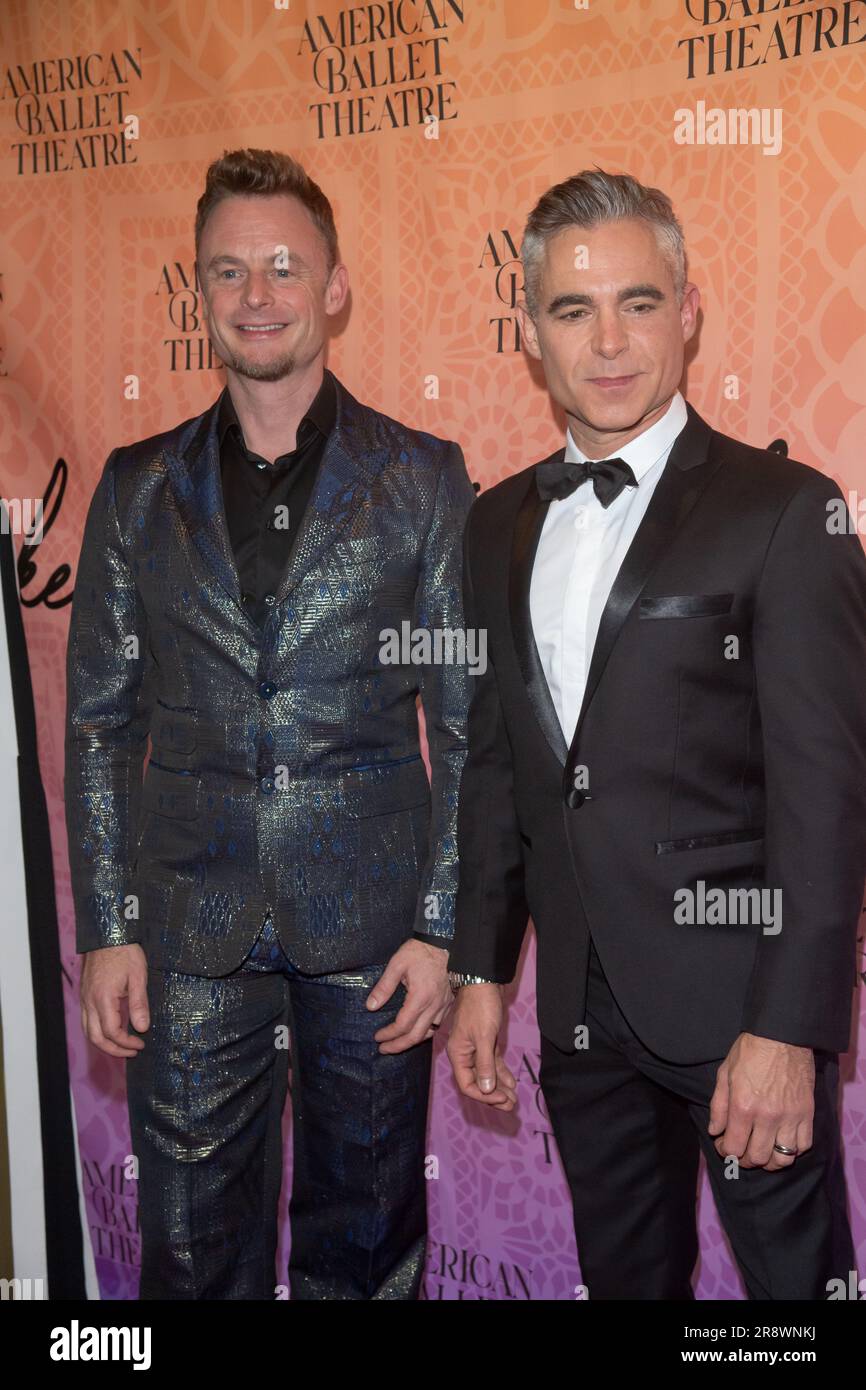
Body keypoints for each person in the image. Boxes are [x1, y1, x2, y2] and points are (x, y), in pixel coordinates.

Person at [446, 169, 866, 1300]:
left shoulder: (784, 511)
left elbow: (826, 798)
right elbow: (496, 766)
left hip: (739, 1013)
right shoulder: (494, 523)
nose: (609, 341)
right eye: (571, 309)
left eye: (638, 301)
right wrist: (480, 966)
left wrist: (788, 1029)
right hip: (581, 1013)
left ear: (686, 310)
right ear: (530, 332)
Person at [65, 147, 475, 1300]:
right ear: (197, 294)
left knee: (365, 1243)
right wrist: (107, 922)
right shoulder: (134, 486)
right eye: (229, 272)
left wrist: (442, 926)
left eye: (284, 268)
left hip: (374, 937)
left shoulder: (423, 477)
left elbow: (465, 719)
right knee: (191, 1252)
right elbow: (98, 721)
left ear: (334, 287)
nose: (257, 296)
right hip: (187, 931)